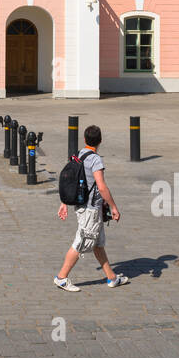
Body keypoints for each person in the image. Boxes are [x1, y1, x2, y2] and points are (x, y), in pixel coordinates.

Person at [54, 124, 127, 291]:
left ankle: (112, 278)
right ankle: (61, 278)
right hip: (90, 209)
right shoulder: (95, 159)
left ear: (85, 139)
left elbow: (70, 180)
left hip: (83, 205)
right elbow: (101, 186)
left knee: (98, 243)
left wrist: (64, 203)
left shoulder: (80, 154)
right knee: (81, 243)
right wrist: (114, 207)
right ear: (100, 141)